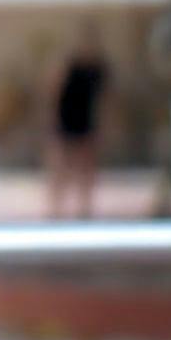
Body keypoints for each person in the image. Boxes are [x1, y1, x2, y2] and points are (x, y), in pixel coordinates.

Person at [45, 25, 110, 218]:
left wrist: (104, 126)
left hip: (86, 121)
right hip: (65, 121)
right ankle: (56, 209)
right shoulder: (68, 65)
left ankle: (85, 208)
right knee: (60, 167)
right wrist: (51, 121)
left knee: (86, 167)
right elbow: (53, 91)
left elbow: (105, 99)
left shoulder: (98, 69)